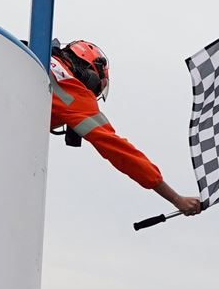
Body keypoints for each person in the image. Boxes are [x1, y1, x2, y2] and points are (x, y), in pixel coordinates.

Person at [49, 39, 205, 216]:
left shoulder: (39, 56)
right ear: (90, 75)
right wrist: (177, 199)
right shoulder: (75, 94)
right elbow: (121, 152)